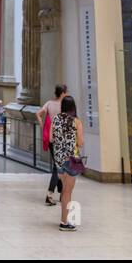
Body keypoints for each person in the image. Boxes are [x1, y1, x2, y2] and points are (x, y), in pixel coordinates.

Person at [51, 94, 85, 231]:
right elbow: (81, 143)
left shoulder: (55, 119)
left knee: (64, 190)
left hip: (58, 160)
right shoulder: (76, 121)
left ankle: (64, 218)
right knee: (67, 192)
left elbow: (51, 139)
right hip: (71, 160)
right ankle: (64, 222)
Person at [36, 84, 67, 205]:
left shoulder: (49, 103)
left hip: (50, 138)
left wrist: (43, 127)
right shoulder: (63, 106)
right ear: (63, 93)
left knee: (57, 164)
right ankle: (50, 195)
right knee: (58, 167)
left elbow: (38, 114)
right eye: (66, 92)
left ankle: (61, 192)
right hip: (60, 139)